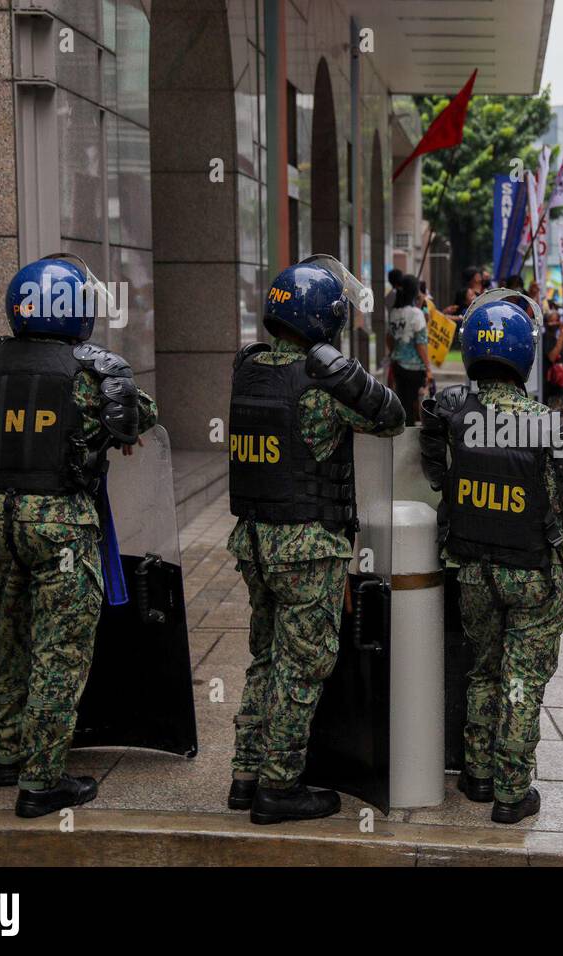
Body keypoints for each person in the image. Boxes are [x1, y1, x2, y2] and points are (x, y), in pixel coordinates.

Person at [0, 255, 158, 817]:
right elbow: (136, 420)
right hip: (60, 524)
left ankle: (10, 759)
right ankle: (42, 782)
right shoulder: (93, 368)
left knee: (8, 636)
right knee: (58, 650)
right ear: (76, 310)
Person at [226, 256, 405, 824]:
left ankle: (245, 773)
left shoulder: (248, 368)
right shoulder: (322, 382)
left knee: (264, 657)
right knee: (302, 666)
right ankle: (280, 788)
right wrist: (344, 368)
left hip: (253, 540)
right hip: (306, 547)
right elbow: (391, 417)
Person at [420, 291, 563, 823]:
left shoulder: (452, 414)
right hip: (532, 574)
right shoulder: (549, 425)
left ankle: (477, 776)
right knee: (522, 680)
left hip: (471, 568)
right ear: (525, 354)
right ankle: (512, 793)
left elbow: (434, 472)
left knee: (484, 671)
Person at [386, 272, 432, 424]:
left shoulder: (394, 313)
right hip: (415, 368)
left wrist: (394, 353)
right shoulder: (416, 314)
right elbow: (420, 344)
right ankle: (410, 441)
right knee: (415, 407)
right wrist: (428, 368)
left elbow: (389, 339)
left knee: (403, 403)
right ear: (414, 291)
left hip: (397, 365)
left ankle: (401, 435)